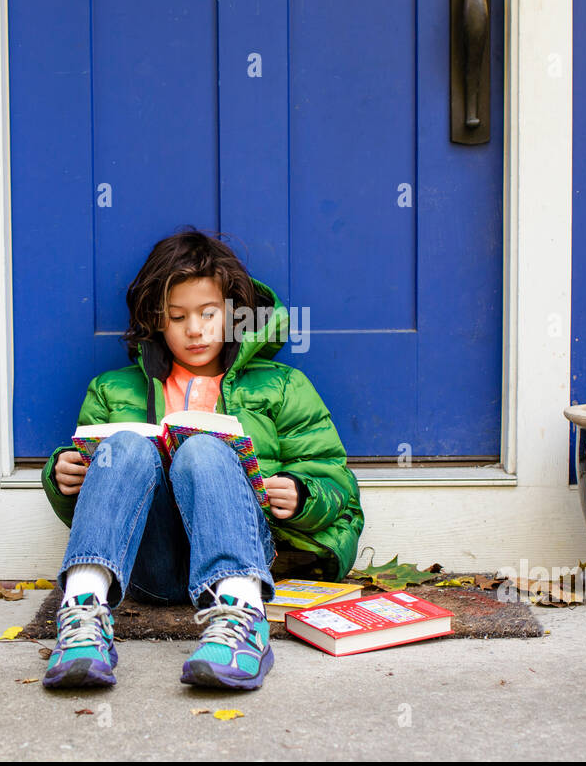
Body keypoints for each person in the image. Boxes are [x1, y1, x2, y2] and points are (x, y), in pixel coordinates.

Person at [40, 228, 364, 690]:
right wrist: (65, 477)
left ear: (235, 314)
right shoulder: (112, 390)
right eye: (177, 317)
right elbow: (97, 512)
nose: (194, 330)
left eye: (209, 314)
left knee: (204, 446)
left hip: (247, 551)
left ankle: (240, 617)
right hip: (150, 565)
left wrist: (304, 494)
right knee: (126, 444)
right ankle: (81, 618)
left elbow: (339, 484)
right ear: (156, 321)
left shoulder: (283, 386)